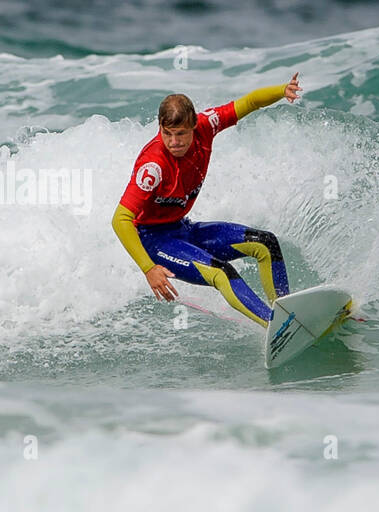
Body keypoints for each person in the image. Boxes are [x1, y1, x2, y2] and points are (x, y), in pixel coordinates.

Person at [111, 74, 302, 327]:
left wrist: (282, 90)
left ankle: (289, 313)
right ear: (160, 127)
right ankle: (277, 327)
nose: (174, 142)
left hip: (183, 229)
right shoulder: (153, 166)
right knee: (222, 272)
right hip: (155, 242)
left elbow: (249, 103)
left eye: (180, 134)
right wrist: (148, 268)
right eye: (167, 133)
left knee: (265, 242)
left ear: (193, 125)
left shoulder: (206, 125)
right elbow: (120, 219)